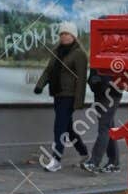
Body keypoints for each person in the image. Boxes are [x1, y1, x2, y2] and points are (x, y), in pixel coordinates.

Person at [34, 26, 88, 170]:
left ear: (74, 36)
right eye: (62, 34)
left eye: (67, 33)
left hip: (69, 96)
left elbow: (81, 80)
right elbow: (48, 70)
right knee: (68, 128)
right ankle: (84, 152)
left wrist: (78, 102)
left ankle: (56, 160)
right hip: (57, 94)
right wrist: (40, 85)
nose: (64, 36)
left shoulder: (79, 54)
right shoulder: (57, 51)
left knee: (59, 127)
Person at [82, 67, 122, 173]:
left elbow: (120, 76)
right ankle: (114, 162)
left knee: (104, 128)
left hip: (111, 95)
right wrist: (93, 82)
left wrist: (102, 83)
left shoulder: (114, 57)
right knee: (109, 127)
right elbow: (92, 75)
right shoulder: (98, 57)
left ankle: (94, 162)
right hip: (100, 94)